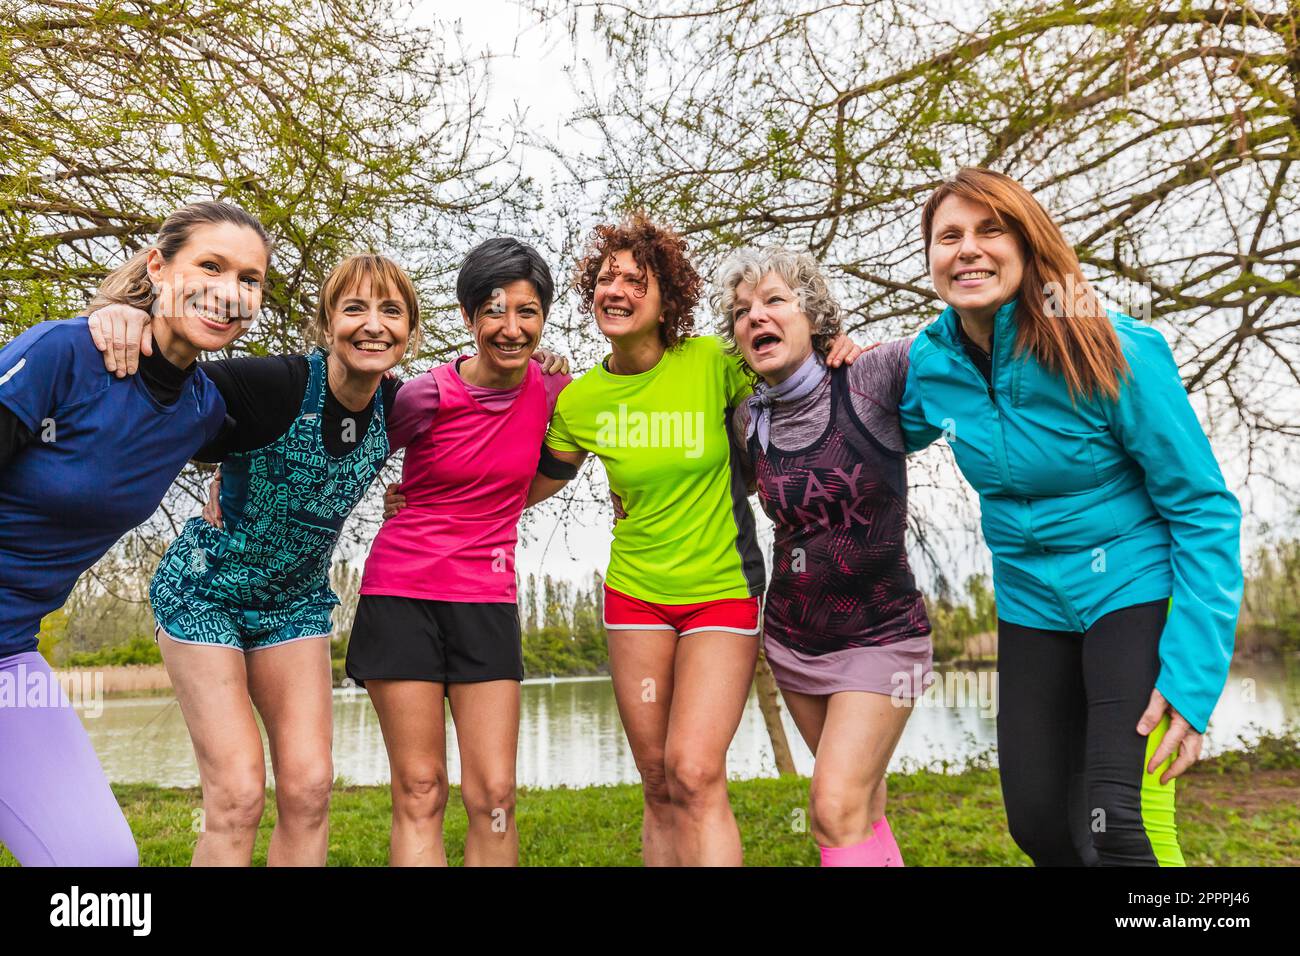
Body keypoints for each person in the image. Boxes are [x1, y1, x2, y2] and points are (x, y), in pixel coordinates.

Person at [897, 167, 1243, 866]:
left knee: (1121, 821)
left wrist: (1191, 679)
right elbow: (861, 428)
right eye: (949, 236)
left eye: (990, 230)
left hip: (1131, 587)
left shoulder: (1110, 346)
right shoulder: (930, 366)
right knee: (1042, 826)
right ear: (930, 258)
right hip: (1030, 604)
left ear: (1026, 245)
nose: (968, 249)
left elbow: (1205, 507)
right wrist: (819, 366)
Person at [524, 213, 862, 865]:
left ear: (666, 299)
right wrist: (513, 399)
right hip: (635, 597)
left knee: (696, 771)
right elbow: (527, 484)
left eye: (634, 279)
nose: (614, 288)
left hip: (721, 592)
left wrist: (843, 350)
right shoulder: (580, 401)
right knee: (658, 780)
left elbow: (794, 361)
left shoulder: (713, 362)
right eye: (604, 277)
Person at [87, 253, 417, 865]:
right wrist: (123, 316)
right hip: (206, 597)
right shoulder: (272, 385)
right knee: (238, 794)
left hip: (294, 606)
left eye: (390, 311)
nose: (373, 325)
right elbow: (161, 378)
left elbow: (481, 391)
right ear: (326, 323)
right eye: (354, 309)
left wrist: (549, 369)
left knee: (310, 788)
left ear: (409, 331)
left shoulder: (396, 408)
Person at [0, 200, 267, 865]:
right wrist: (105, 314)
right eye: (210, 265)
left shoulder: (204, 410)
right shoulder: (65, 353)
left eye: (250, 279)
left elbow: (341, 396)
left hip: (8, 658)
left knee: (100, 867)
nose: (229, 291)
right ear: (159, 266)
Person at [349, 237, 571, 866]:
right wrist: (231, 473)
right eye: (494, 311)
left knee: (494, 792)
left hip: (486, 598)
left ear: (543, 318)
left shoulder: (556, 389)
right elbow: (341, 449)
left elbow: (550, 472)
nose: (511, 328)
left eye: (527, 312)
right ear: (470, 317)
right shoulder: (424, 394)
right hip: (402, 592)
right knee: (421, 789)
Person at [716, 246, 932, 866]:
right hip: (794, 642)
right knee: (859, 807)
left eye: (775, 301)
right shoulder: (744, 420)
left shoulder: (872, 375)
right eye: (741, 311)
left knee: (833, 807)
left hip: (885, 637)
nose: (756, 316)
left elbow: (964, 344)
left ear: (814, 317)